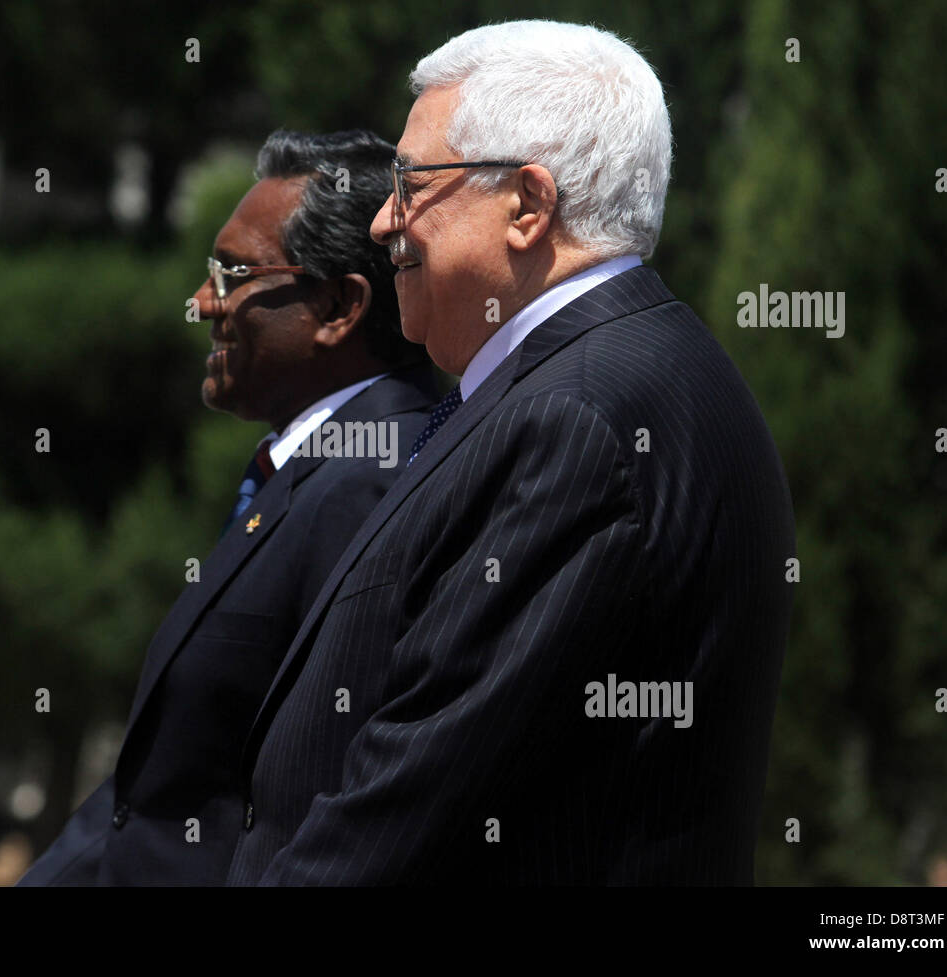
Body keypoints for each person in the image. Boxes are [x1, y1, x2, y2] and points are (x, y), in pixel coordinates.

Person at [227, 21, 796, 884]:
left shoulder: (581, 418)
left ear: (528, 206)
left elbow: (415, 797)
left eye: (411, 183)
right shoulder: (594, 381)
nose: (385, 220)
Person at [18, 129, 435, 884]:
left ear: (340, 305)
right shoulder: (311, 467)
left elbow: (328, 797)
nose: (203, 300)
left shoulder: (376, 477)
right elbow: (150, 795)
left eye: (234, 273)